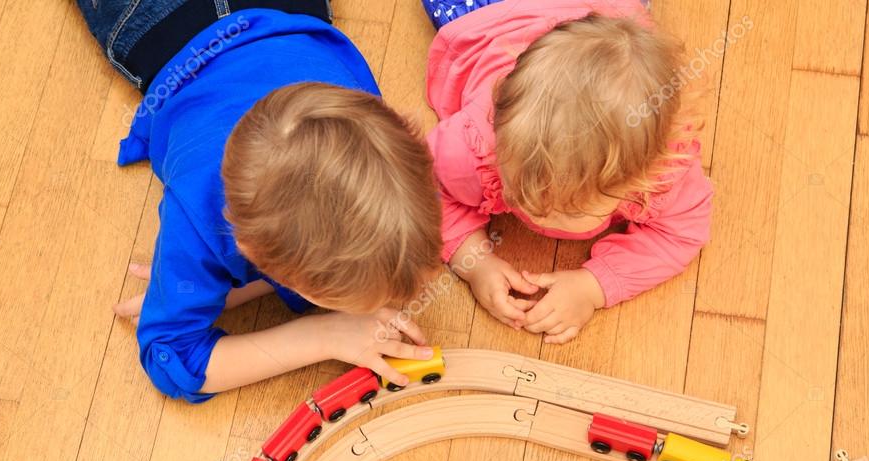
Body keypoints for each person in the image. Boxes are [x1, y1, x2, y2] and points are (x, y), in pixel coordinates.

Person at [74, 1, 443, 402]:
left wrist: (211, 291)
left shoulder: (366, 122)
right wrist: (324, 335)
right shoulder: (198, 217)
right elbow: (172, 358)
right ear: (246, 249)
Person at [422, 0, 711, 343]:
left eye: (570, 208)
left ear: (637, 181)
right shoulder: (472, 148)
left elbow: (680, 233)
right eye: (516, 190)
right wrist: (472, 261)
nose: (536, 213)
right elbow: (423, 187)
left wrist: (594, 286)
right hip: (492, 16)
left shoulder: (662, 175)